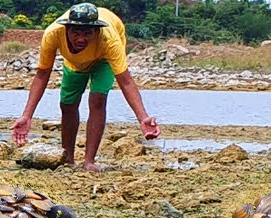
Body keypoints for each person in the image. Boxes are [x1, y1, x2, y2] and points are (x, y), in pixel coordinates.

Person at [11, 2, 160, 172]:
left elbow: (126, 81)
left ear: (96, 31)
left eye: (87, 33)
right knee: (67, 104)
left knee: (97, 99)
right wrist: (27, 116)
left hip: (103, 59)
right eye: (75, 33)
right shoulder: (53, 33)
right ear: (66, 30)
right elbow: (42, 74)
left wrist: (142, 118)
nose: (81, 39)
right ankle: (68, 158)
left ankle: (89, 160)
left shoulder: (109, 39)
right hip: (74, 63)